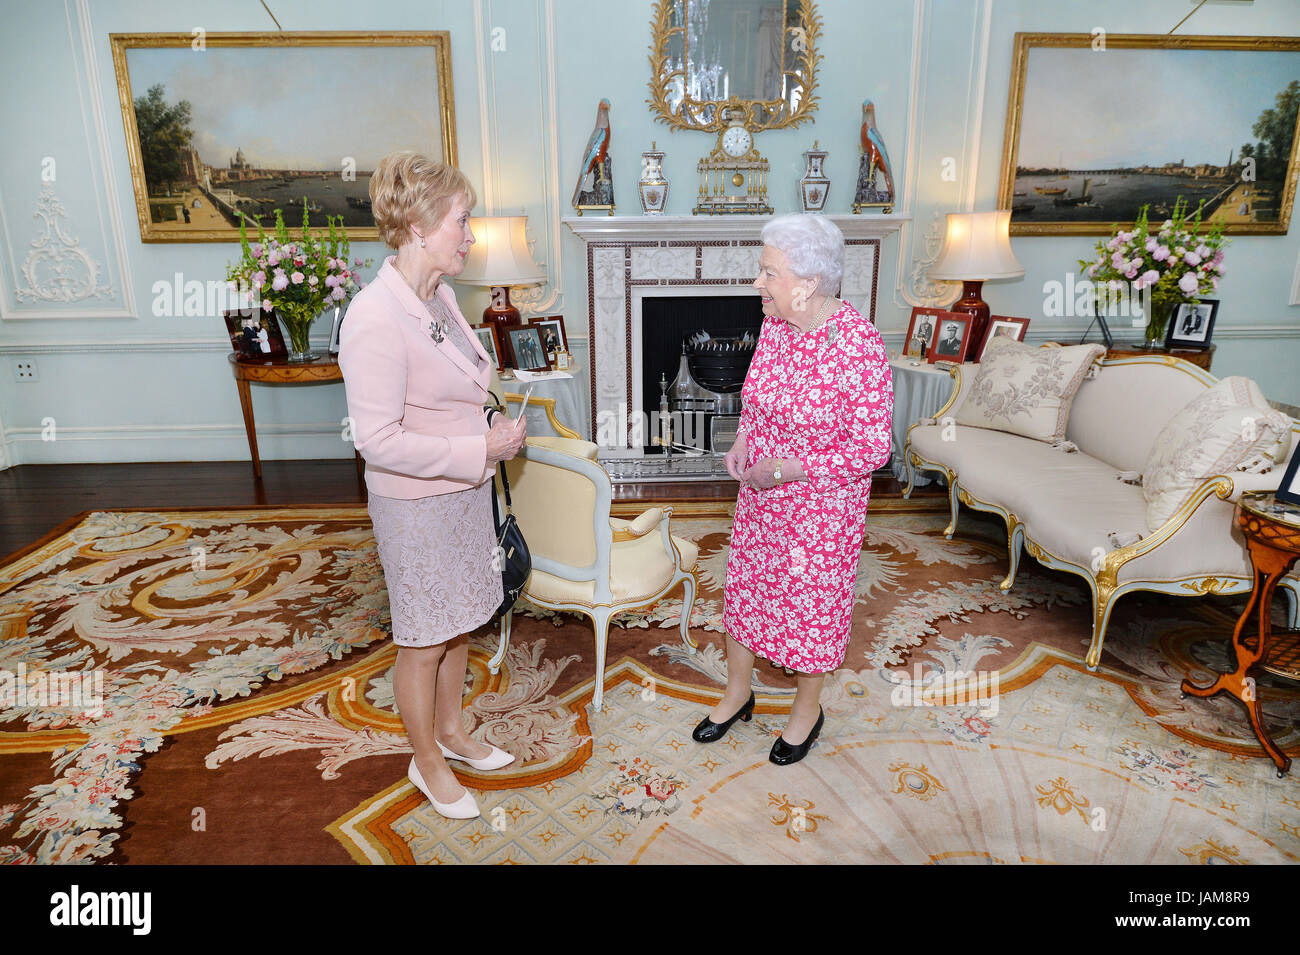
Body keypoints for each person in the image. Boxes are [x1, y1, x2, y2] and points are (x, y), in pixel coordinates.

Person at [339, 150, 527, 820]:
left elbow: (462, 383)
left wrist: (493, 424)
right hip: (415, 505)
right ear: (418, 225)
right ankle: (427, 763)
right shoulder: (372, 317)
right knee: (422, 639)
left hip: (462, 491)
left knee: (456, 625)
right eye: (462, 220)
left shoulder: (440, 295)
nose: (471, 235)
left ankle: (452, 731)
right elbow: (378, 440)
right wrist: (481, 444)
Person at [693, 213, 893, 765]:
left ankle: (807, 711)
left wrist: (790, 469)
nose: (758, 282)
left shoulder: (858, 344)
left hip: (822, 509)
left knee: (809, 608)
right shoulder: (777, 326)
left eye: (769, 271)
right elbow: (757, 396)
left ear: (807, 282)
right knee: (747, 592)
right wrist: (742, 443)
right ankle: (738, 693)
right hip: (760, 498)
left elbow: (873, 448)